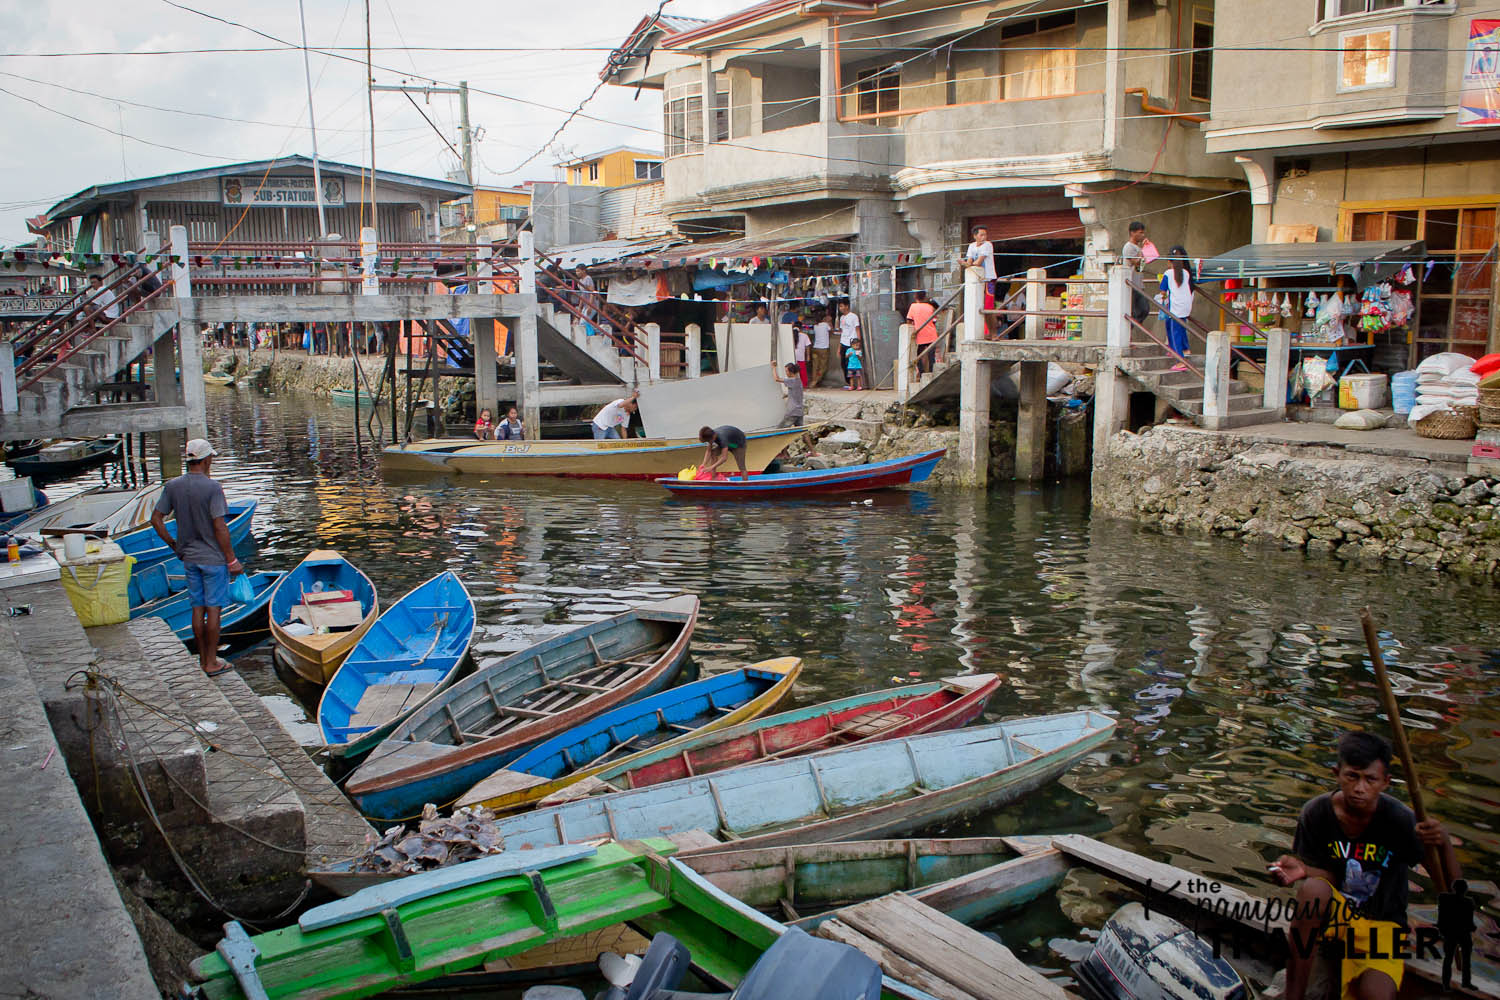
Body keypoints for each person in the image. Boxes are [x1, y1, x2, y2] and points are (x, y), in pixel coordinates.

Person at [1269, 731, 1460, 1000]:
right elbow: (1330, 879)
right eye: (1352, 776)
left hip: (1381, 926)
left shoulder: (1402, 820)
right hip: (1334, 922)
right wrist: (1303, 871)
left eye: (1370, 779)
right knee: (1313, 889)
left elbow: (1452, 890)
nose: (1360, 788)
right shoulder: (1316, 813)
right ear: (1337, 773)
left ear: (1385, 782)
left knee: (1375, 994)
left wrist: (1445, 844)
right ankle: (1294, 994)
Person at [149, 439, 243, 678]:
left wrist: (173, 544)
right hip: (213, 559)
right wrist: (232, 560)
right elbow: (220, 526)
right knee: (214, 610)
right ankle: (212, 662)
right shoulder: (212, 488)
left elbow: (156, 519)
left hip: (188, 557)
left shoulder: (173, 486)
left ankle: (202, 659)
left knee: (197, 608)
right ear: (206, 459)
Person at [1157, 246, 1194, 369]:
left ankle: (1180, 360)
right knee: (1181, 328)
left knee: (1174, 332)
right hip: (1186, 306)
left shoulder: (1168, 273)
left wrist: (1163, 296)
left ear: (1169, 261)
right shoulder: (1186, 273)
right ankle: (1185, 349)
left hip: (1176, 307)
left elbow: (1162, 291)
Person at [1121, 221, 1152, 328]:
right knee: (1135, 311)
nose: (1142, 235)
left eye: (1143, 233)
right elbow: (1137, 263)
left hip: (1138, 284)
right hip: (1132, 285)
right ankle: (1128, 333)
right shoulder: (1129, 247)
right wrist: (1143, 251)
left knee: (1144, 309)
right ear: (1132, 233)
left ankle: (1130, 330)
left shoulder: (1137, 248)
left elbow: (1141, 266)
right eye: (1140, 233)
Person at [907, 290, 939, 374]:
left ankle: (921, 373)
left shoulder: (913, 306)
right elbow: (934, 320)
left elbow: (909, 320)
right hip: (931, 334)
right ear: (924, 297)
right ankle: (932, 373)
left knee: (918, 355)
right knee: (931, 356)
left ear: (915, 296)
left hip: (920, 335)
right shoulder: (930, 307)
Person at [835, 301, 861, 386]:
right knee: (843, 363)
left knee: (851, 364)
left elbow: (857, 329)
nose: (841, 308)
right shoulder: (842, 317)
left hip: (852, 343)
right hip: (843, 343)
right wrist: (839, 348)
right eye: (840, 307)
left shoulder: (854, 317)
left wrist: (858, 343)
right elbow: (842, 332)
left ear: (847, 306)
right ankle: (849, 382)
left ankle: (854, 384)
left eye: (842, 306)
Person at [809, 309, 832, 387]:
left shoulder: (815, 326)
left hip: (815, 348)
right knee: (823, 367)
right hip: (823, 348)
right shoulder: (825, 325)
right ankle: (815, 381)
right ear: (824, 318)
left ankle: (813, 380)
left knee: (815, 366)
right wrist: (830, 321)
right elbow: (831, 330)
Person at [777, 363, 804, 427]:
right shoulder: (798, 380)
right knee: (801, 431)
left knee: (780, 430)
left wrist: (773, 367)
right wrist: (787, 395)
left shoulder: (791, 380)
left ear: (791, 372)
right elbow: (796, 393)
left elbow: (777, 379)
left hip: (792, 412)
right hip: (799, 411)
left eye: (786, 371)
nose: (786, 373)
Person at [792, 322, 812, 387]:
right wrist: (808, 356)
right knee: (802, 371)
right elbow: (807, 346)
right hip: (801, 357)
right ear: (801, 328)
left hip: (792, 355)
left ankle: (794, 385)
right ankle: (804, 385)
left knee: (793, 371)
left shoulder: (790, 334)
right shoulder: (805, 335)